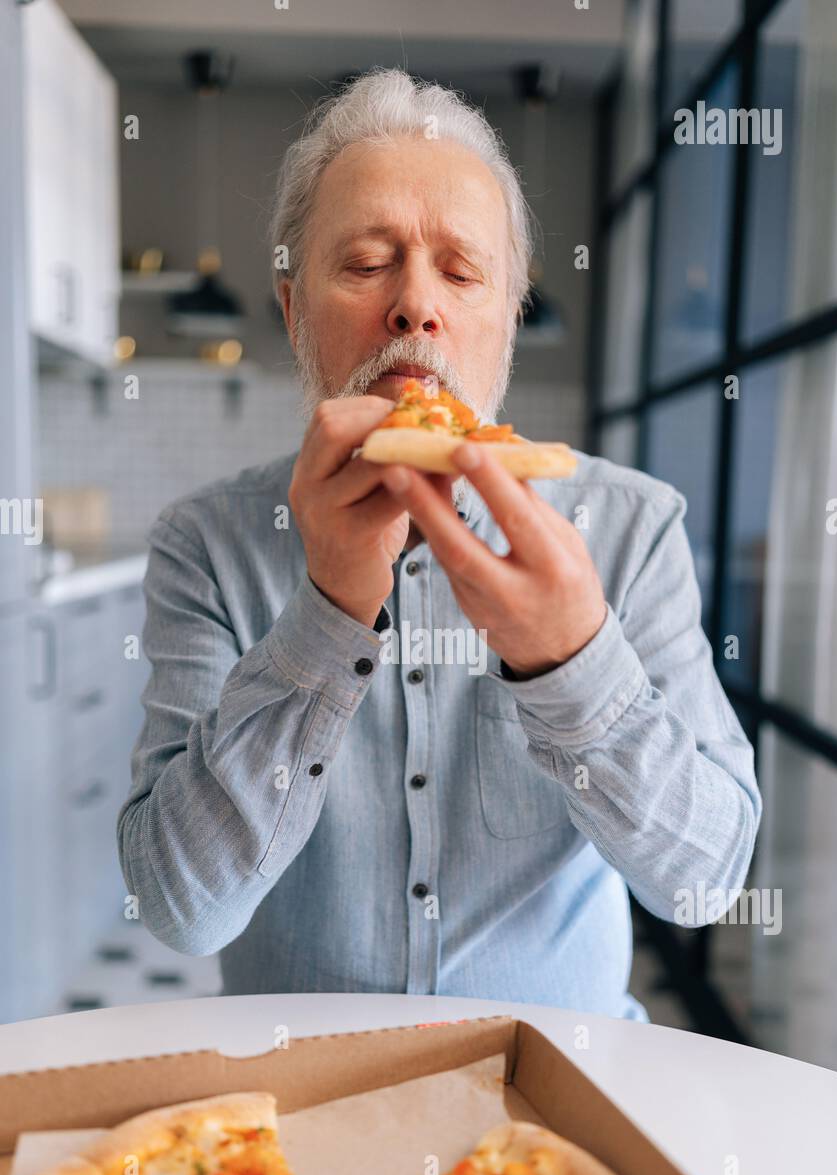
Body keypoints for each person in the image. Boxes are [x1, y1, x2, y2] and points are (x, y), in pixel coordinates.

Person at [117, 69, 760, 1022]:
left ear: (506, 324)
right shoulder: (205, 543)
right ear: (296, 317)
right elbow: (179, 907)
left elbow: (704, 886)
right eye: (368, 263)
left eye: (462, 273)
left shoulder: (631, 527)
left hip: (557, 1089)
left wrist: (573, 660)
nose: (416, 305)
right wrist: (327, 612)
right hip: (305, 1094)